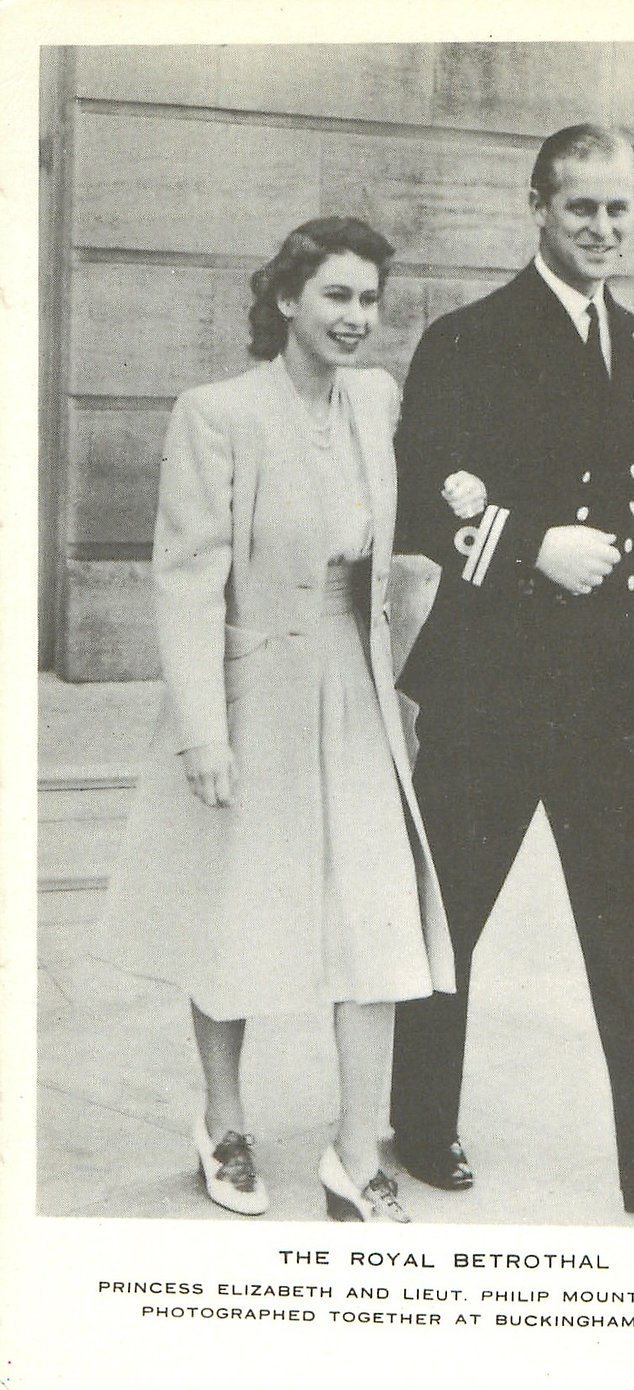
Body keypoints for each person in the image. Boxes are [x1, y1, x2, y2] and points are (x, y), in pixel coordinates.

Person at [389, 125, 634, 1219]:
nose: (602, 229)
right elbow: (429, 492)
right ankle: (420, 1121)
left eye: (617, 210)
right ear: (538, 207)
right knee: (448, 905)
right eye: (580, 209)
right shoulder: (470, 337)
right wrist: (528, 548)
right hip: (492, 681)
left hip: (601, 686)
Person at [99, 217, 454, 1223]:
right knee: (235, 915)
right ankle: (223, 1121)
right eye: (337, 296)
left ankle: (355, 1151)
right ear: (288, 298)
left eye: (369, 300)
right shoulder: (218, 413)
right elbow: (187, 578)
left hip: (355, 681)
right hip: (253, 688)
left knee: (380, 917)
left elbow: (410, 516)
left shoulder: (377, 400)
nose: (356, 318)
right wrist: (203, 731)